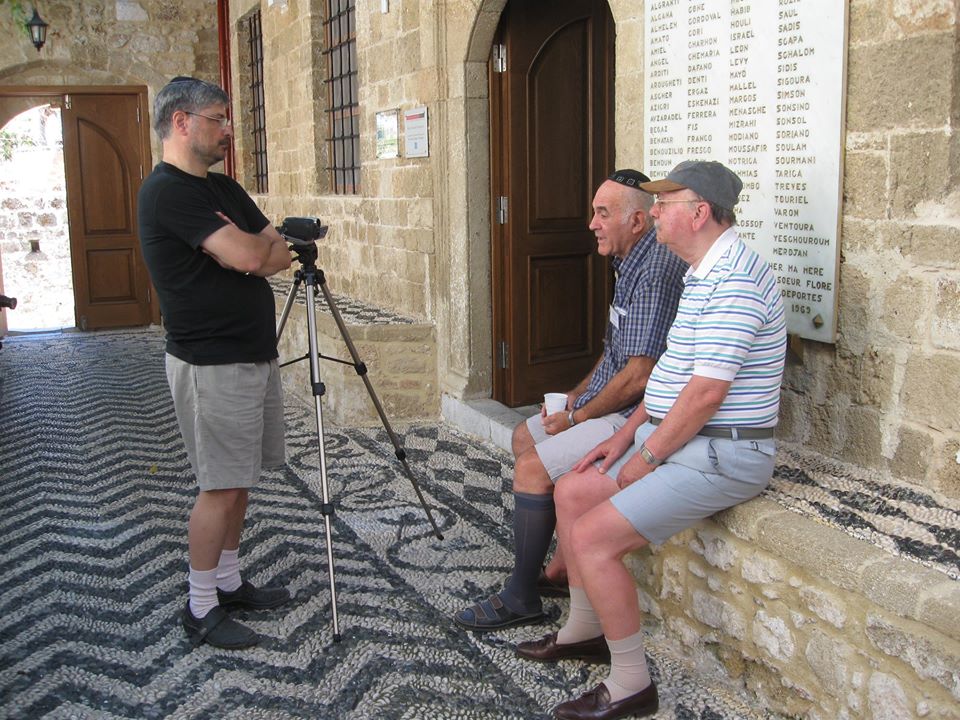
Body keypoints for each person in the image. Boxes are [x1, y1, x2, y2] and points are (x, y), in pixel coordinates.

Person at [517, 160, 787, 720]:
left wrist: (647, 454)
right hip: (683, 437)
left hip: (724, 450)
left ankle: (631, 685)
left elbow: (706, 395)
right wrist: (628, 436)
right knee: (572, 492)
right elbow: (672, 381)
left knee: (592, 537)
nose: (655, 211)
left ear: (700, 212)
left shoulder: (733, 278)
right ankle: (587, 630)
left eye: (666, 202)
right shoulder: (702, 270)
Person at [454, 170, 688, 631]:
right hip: (609, 401)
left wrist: (578, 416)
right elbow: (617, 349)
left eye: (603, 213)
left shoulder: (656, 271)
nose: (591, 224)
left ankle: (521, 596)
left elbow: (640, 375)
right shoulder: (629, 262)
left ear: (637, 221)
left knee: (534, 466)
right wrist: (576, 395)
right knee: (525, 434)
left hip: (633, 418)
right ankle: (560, 567)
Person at [138, 76, 293, 650]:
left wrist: (254, 252)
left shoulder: (221, 188)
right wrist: (252, 252)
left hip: (251, 353)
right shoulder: (168, 192)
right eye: (217, 118)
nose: (228, 129)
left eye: (228, 118)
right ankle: (200, 605)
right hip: (211, 363)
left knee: (241, 480)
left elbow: (270, 249)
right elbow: (257, 253)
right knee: (219, 486)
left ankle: (227, 581)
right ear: (181, 122)